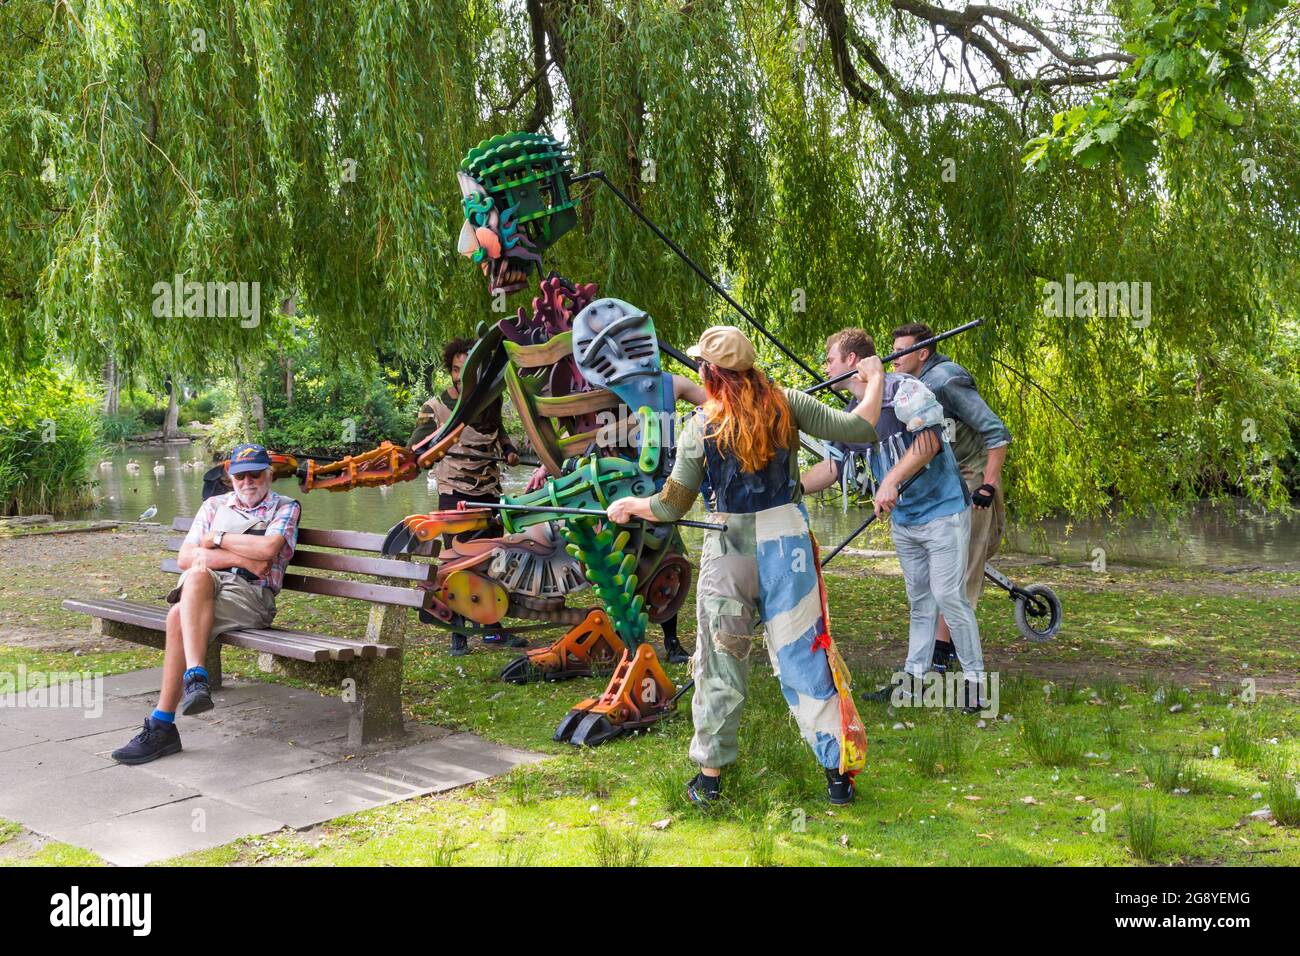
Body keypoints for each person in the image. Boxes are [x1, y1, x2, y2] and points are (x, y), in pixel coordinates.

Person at [606, 326, 880, 806]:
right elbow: (860, 429)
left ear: (711, 373)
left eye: (700, 367)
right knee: (805, 655)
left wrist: (630, 505)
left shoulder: (700, 425)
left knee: (720, 661)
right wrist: (875, 380)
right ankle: (839, 777)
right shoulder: (790, 402)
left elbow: (671, 506)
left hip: (729, 551)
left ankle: (709, 782)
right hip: (788, 548)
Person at [805, 329, 988, 711]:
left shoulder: (903, 389)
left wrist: (890, 479)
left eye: (830, 359)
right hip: (905, 519)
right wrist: (788, 488)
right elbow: (830, 469)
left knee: (948, 597)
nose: (825, 366)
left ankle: (975, 685)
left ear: (852, 361)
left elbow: (929, 443)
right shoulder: (852, 416)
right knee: (920, 601)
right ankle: (914, 682)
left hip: (943, 511)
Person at [111, 444, 301, 764]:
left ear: (269, 474)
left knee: (176, 616)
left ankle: (162, 727)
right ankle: (196, 677)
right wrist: (245, 556)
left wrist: (217, 538)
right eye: (241, 476)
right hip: (207, 584)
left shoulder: (285, 507)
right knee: (197, 575)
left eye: (256, 473)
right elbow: (186, 558)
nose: (248, 481)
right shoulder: (213, 505)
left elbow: (268, 549)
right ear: (230, 476)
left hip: (251, 595)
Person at [890, 323, 1011, 672]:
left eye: (901, 352)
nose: (893, 359)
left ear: (923, 353)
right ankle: (935, 654)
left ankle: (943, 655)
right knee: (939, 577)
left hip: (971, 484)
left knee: (961, 573)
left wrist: (987, 486)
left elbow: (996, 432)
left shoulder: (945, 380)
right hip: (944, 485)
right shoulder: (911, 385)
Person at [410, 338, 523, 655]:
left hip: (489, 493)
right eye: (456, 369)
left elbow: (498, 432)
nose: (461, 376)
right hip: (454, 496)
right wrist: (425, 454)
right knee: (458, 563)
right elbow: (417, 449)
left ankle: (492, 630)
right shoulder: (433, 407)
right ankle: (457, 632)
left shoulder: (490, 401)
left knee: (490, 562)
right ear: (450, 370)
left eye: (468, 369)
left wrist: (511, 450)